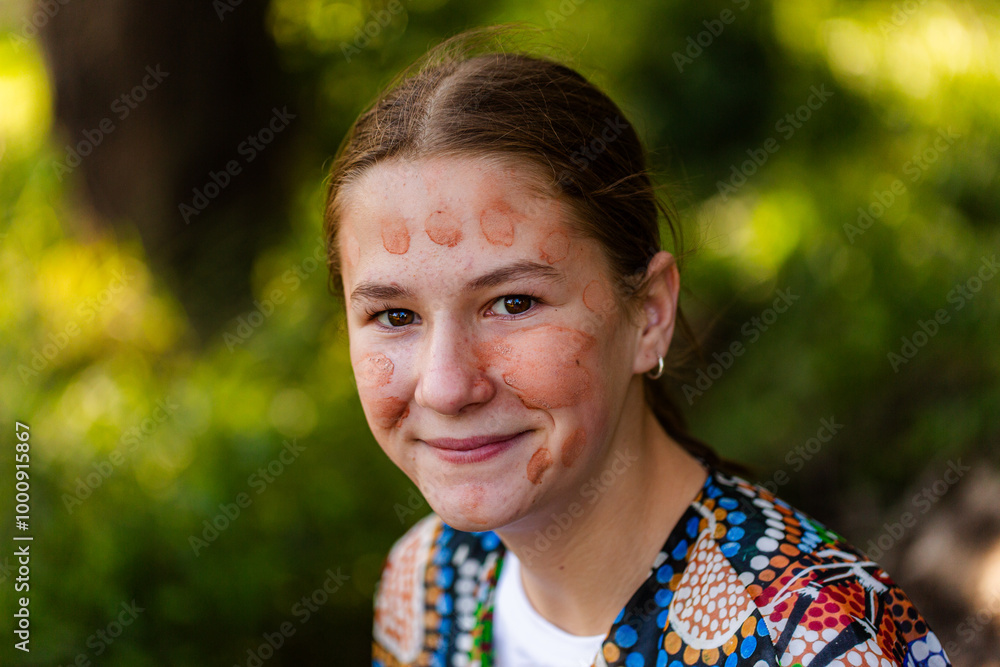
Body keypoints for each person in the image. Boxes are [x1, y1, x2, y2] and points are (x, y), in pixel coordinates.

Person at [322, 27, 952, 667]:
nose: (447, 385)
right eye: (394, 314)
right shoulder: (425, 583)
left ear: (649, 312)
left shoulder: (815, 643)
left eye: (513, 303)